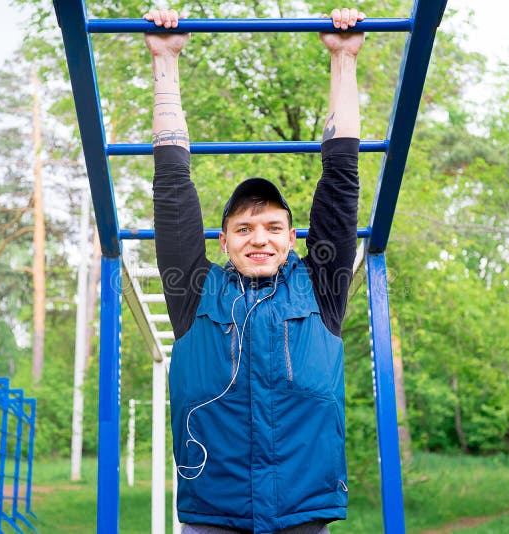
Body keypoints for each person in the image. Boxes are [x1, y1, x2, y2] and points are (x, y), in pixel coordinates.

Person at [146, 7, 365, 534]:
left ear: (293, 239)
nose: (259, 238)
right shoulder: (196, 293)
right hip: (212, 516)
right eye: (244, 229)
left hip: (303, 514)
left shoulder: (321, 289)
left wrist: (344, 61)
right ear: (223, 242)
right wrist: (165, 63)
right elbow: (173, 188)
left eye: (272, 227)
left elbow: (341, 181)